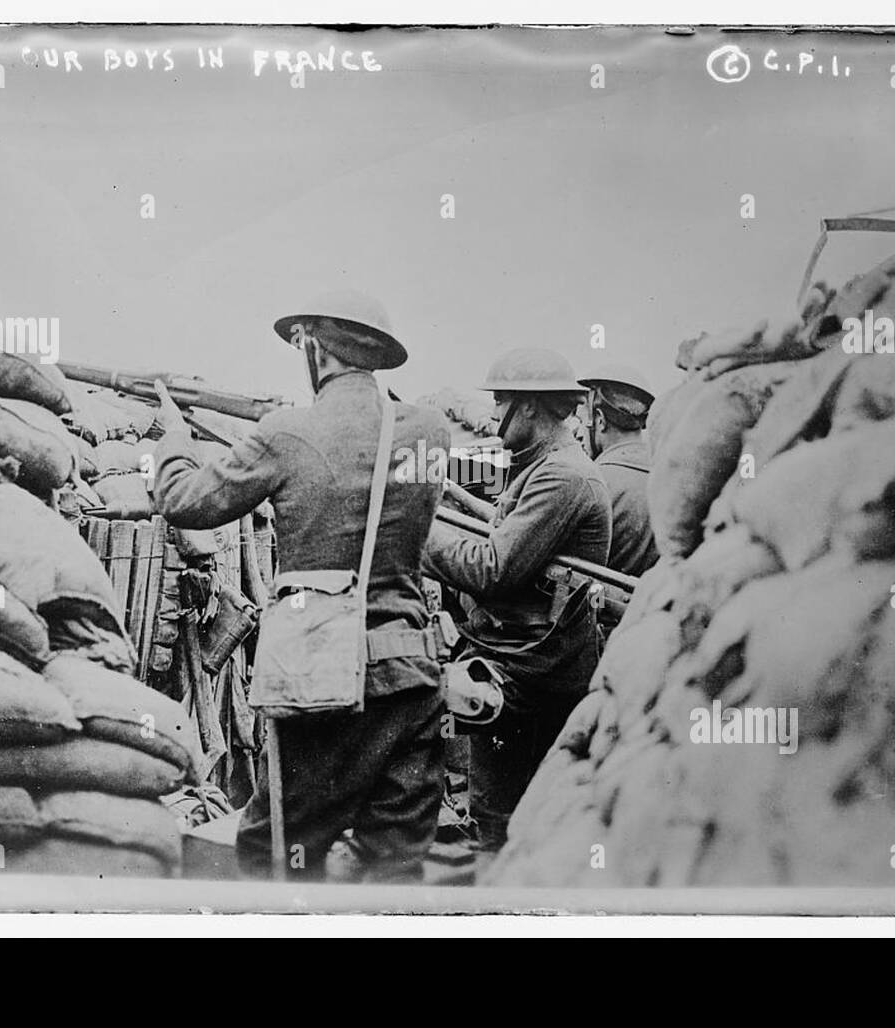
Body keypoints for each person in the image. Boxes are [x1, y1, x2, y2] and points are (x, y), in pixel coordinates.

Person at [150, 289, 453, 884]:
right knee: (395, 866)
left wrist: (173, 438)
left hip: (325, 681)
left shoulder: (285, 432)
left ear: (315, 347)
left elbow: (181, 501)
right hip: (415, 674)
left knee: (278, 856)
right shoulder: (430, 431)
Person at [422, 347, 612, 859]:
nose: (494, 412)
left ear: (529, 407)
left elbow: (493, 567)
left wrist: (414, 535)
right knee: (506, 814)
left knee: (502, 820)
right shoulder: (546, 469)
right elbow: (507, 534)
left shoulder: (563, 477)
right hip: (526, 662)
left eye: (501, 399)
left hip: (532, 673)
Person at [577, 363, 659, 578]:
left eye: (582, 421)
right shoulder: (669, 478)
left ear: (601, 421)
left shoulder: (592, 481)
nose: (578, 433)